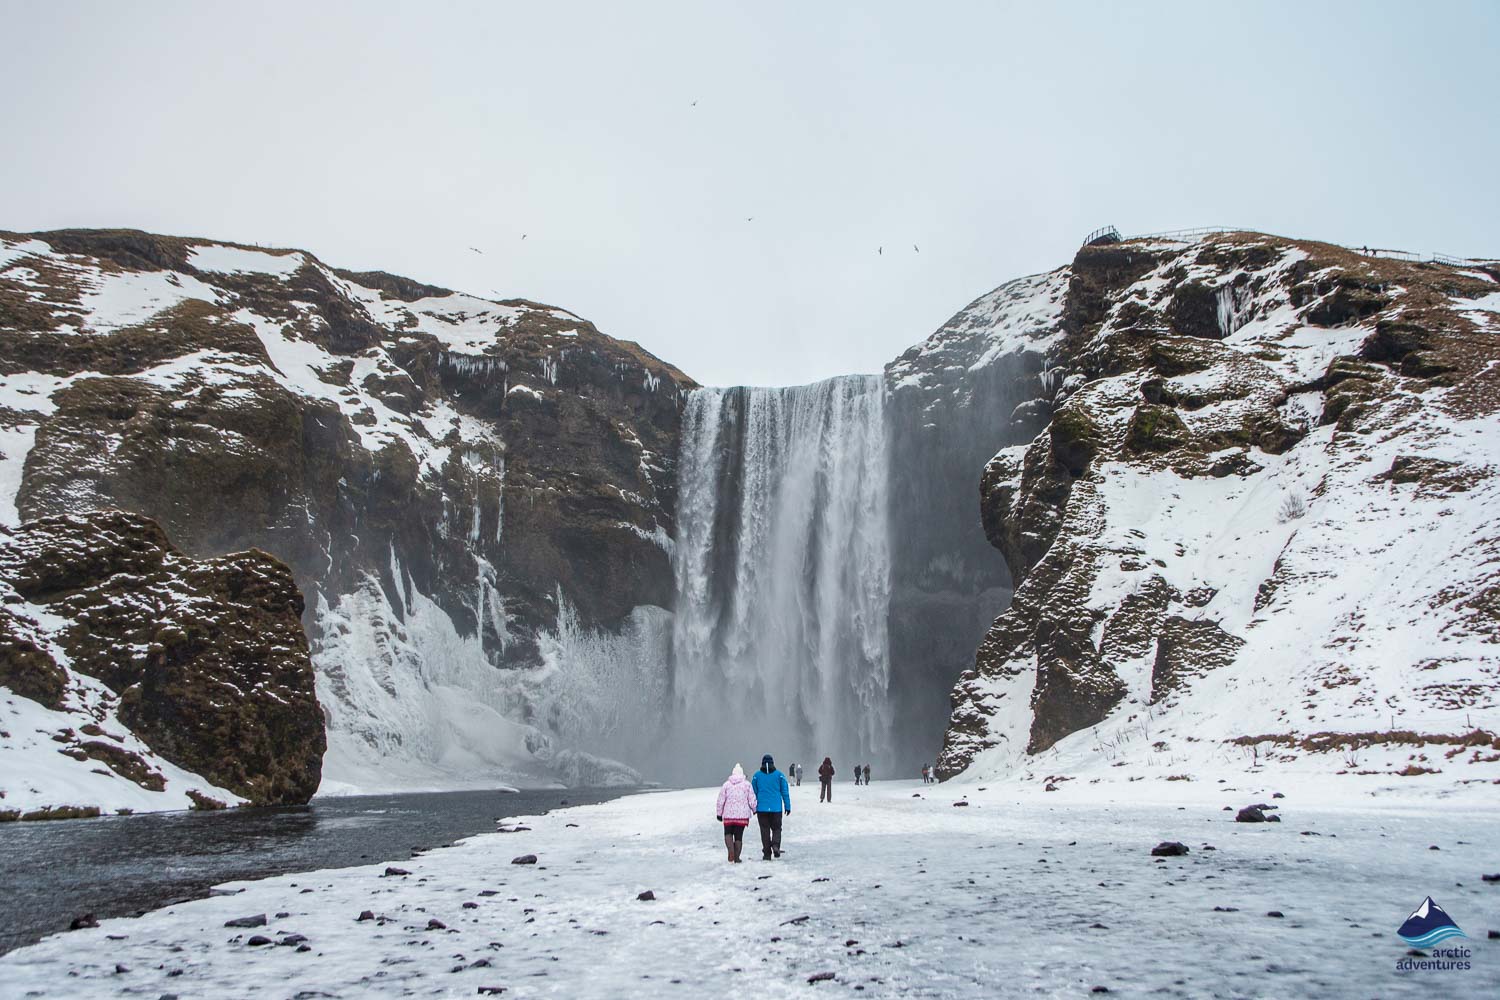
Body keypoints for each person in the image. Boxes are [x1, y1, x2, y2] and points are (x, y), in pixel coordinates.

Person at [750, 753, 791, 860]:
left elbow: (753, 793)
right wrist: (787, 806)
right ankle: (776, 845)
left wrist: (753, 807)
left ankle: (767, 853)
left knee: (765, 830)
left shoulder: (756, 776)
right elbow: (785, 791)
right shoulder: (780, 775)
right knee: (777, 828)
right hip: (776, 808)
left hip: (762, 808)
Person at [715, 763, 757, 863]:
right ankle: (737, 857)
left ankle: (730, 851)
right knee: (739, 836)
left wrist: (719, 813)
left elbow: (721, 800)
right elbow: (752, 799)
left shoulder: (726, 785)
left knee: (728, 833)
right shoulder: (747, 784)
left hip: (728, 815)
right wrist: (754, 809)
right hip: (742, 816)